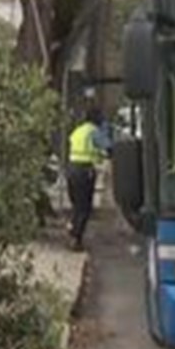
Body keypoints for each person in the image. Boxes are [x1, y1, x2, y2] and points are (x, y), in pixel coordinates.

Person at [66, 107, 112, 249]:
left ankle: (72, 227)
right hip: (84, 172)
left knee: (76, 204)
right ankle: (76, 238)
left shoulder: (78, 131)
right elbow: (108, 147)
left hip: (71, 169)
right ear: (96, 119)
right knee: (84, 207)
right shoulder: (93, 131)